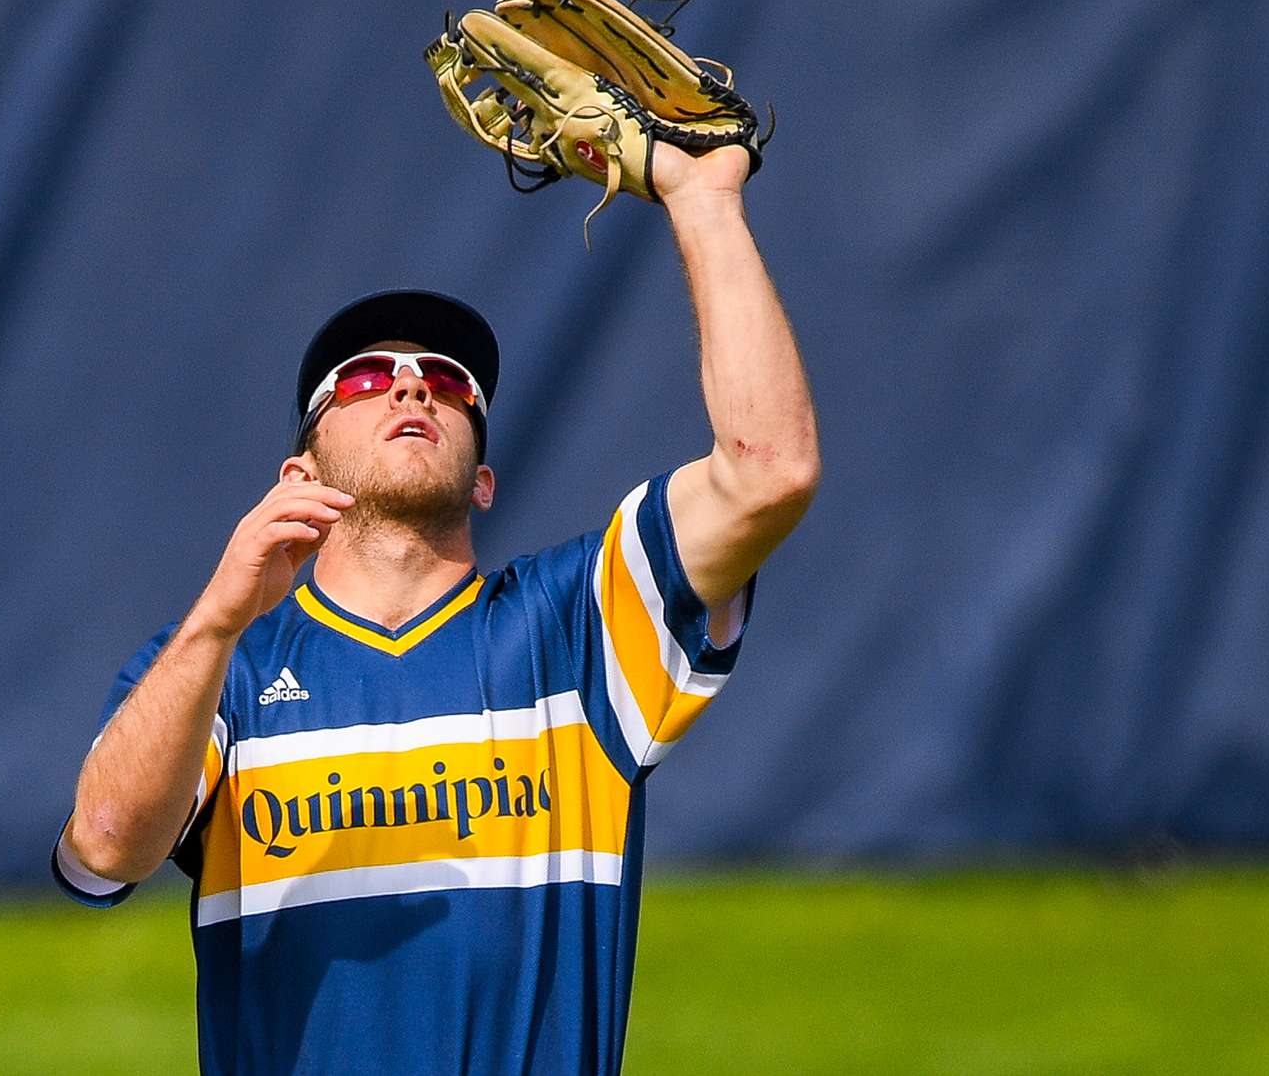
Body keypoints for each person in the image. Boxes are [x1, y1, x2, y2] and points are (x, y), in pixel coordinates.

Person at [53, 143, 819, 1076]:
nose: (416, 384)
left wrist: (703, 199)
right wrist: (217, 618)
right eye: (368, 379)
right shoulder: (228, 668)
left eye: (451, 382)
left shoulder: (577, 629)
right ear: (301, 471)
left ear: (484, 479)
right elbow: (103, 848)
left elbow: (768, 471)